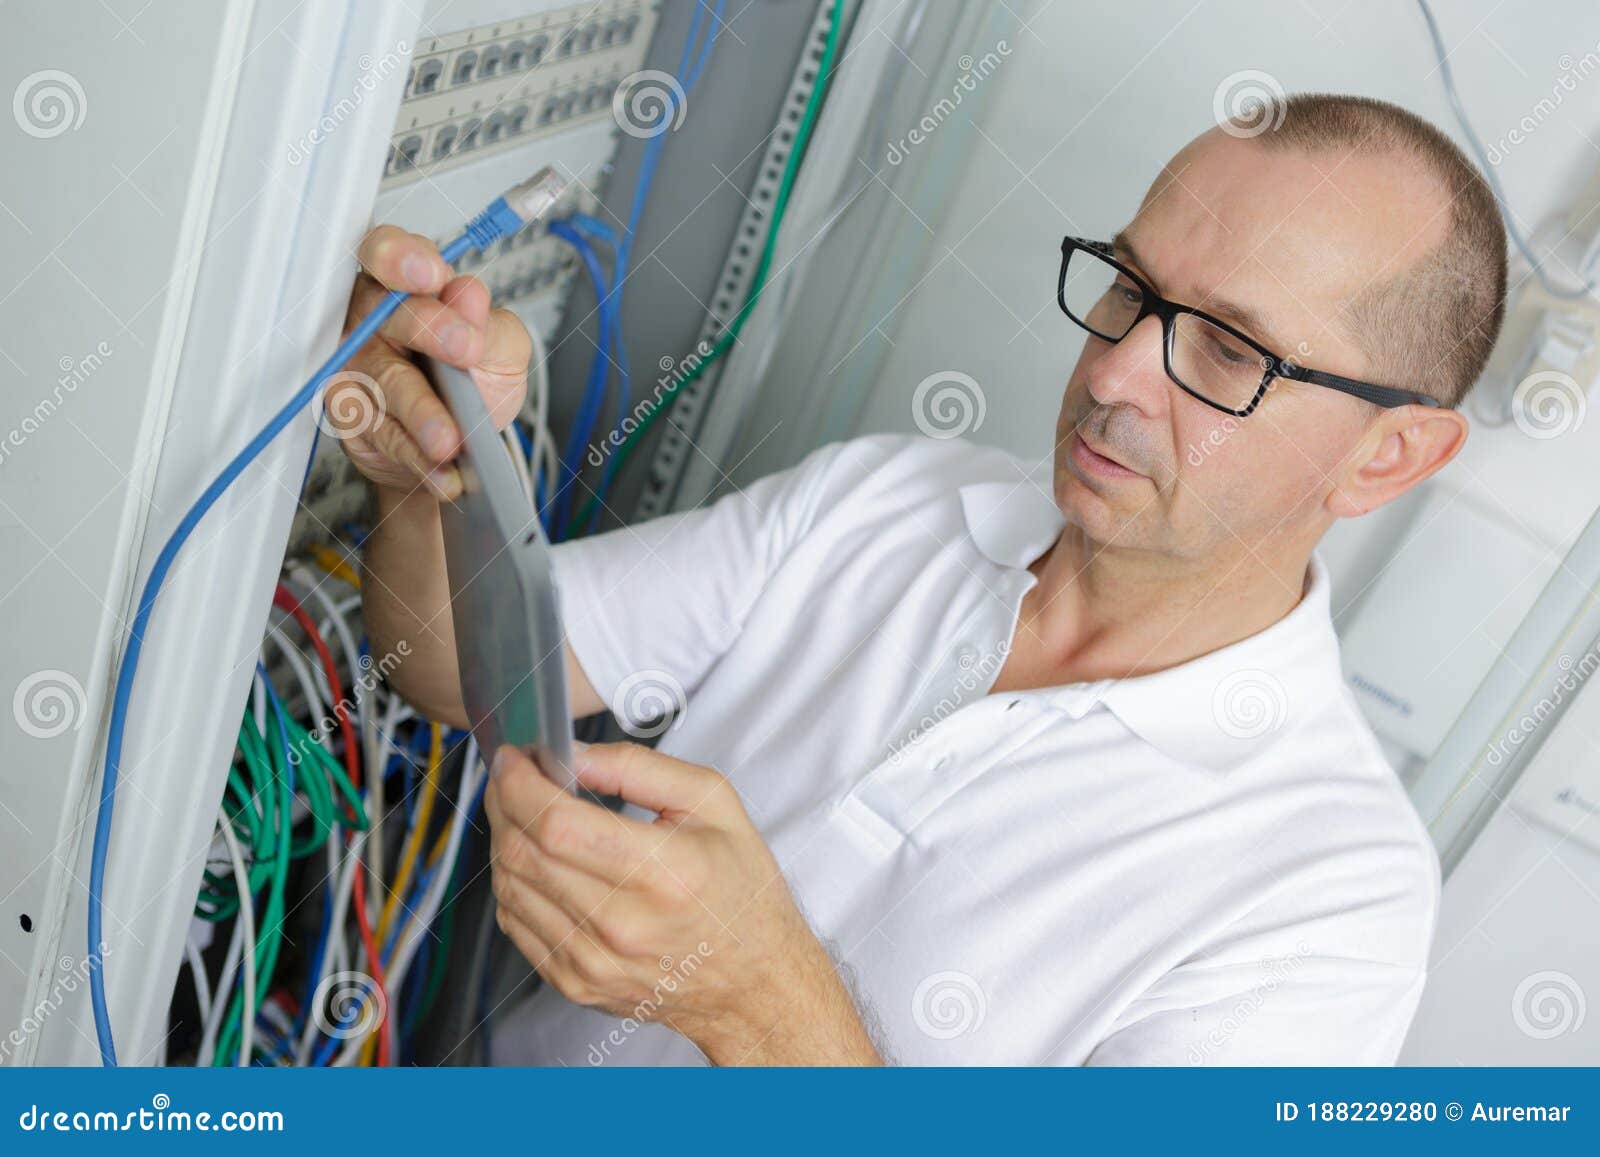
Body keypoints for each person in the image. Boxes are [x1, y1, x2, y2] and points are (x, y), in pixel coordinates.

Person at [333, 92, 1507, 1064]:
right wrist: (427, 468)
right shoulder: (889, 502)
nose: (1112, 375)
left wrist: (759, 1004)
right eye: (1129, 289)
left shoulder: (1329, 897)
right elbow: (460, 668)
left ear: (1389, 455)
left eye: (1229, 349)